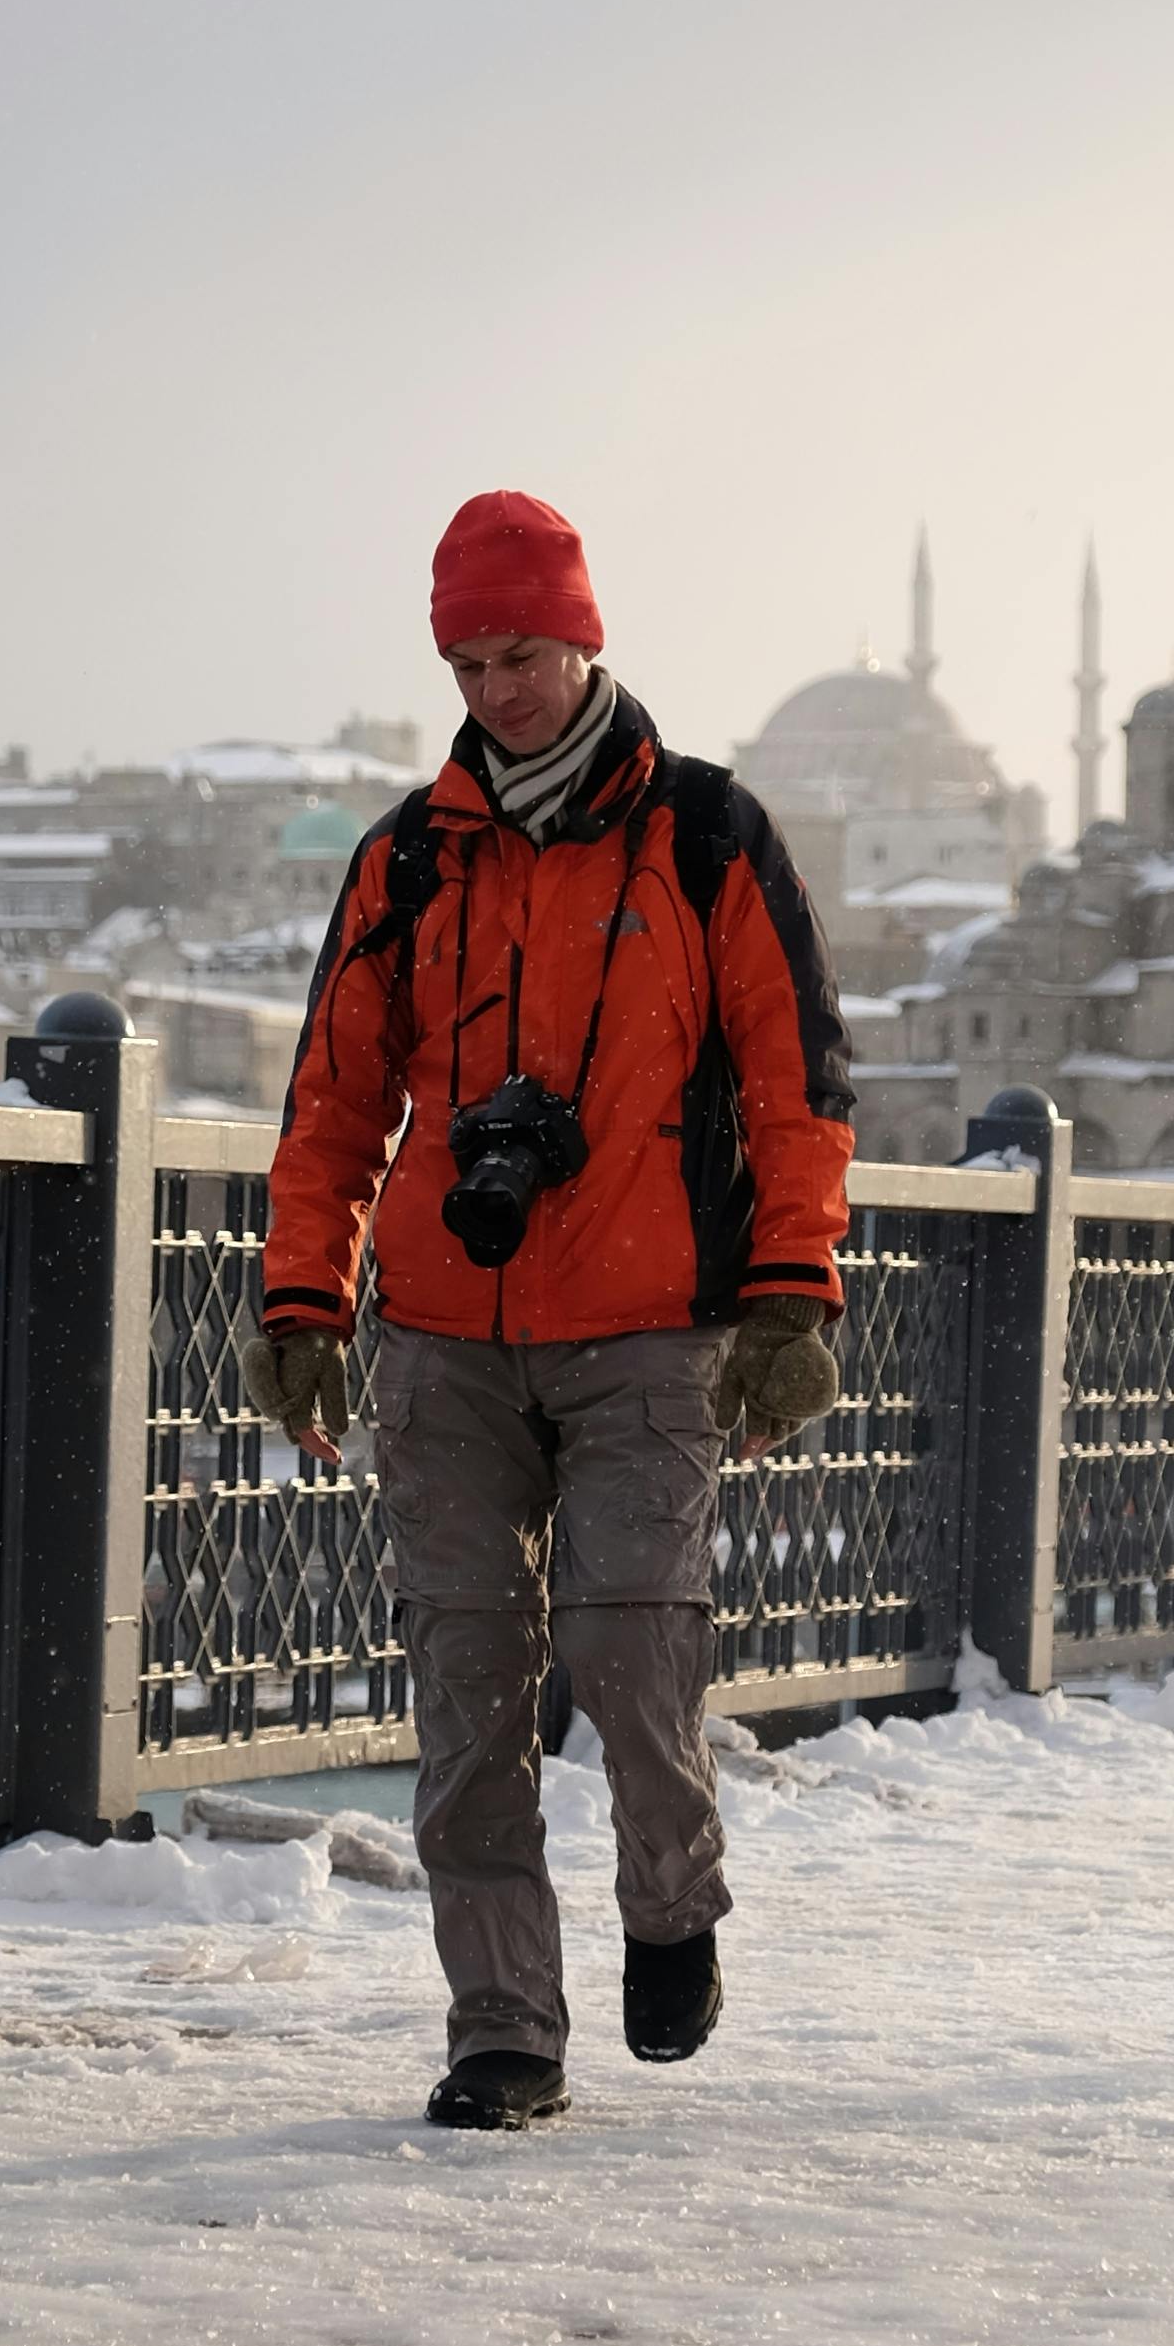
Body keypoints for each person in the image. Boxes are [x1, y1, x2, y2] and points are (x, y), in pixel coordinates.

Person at [241, 489, 852, 2127]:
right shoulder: (405, 863)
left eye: (525, 651)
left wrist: (796, 1294)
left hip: (653, 1328)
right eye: (470, 658)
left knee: (630, 1652)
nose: (499, 686)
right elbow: (332, 1105)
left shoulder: (710, 837)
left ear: (587, 640)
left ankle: (673, 1900)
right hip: (440, 1336)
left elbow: (798, 1084)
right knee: (468, 1696)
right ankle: (502, 2029)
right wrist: (305, 1299)